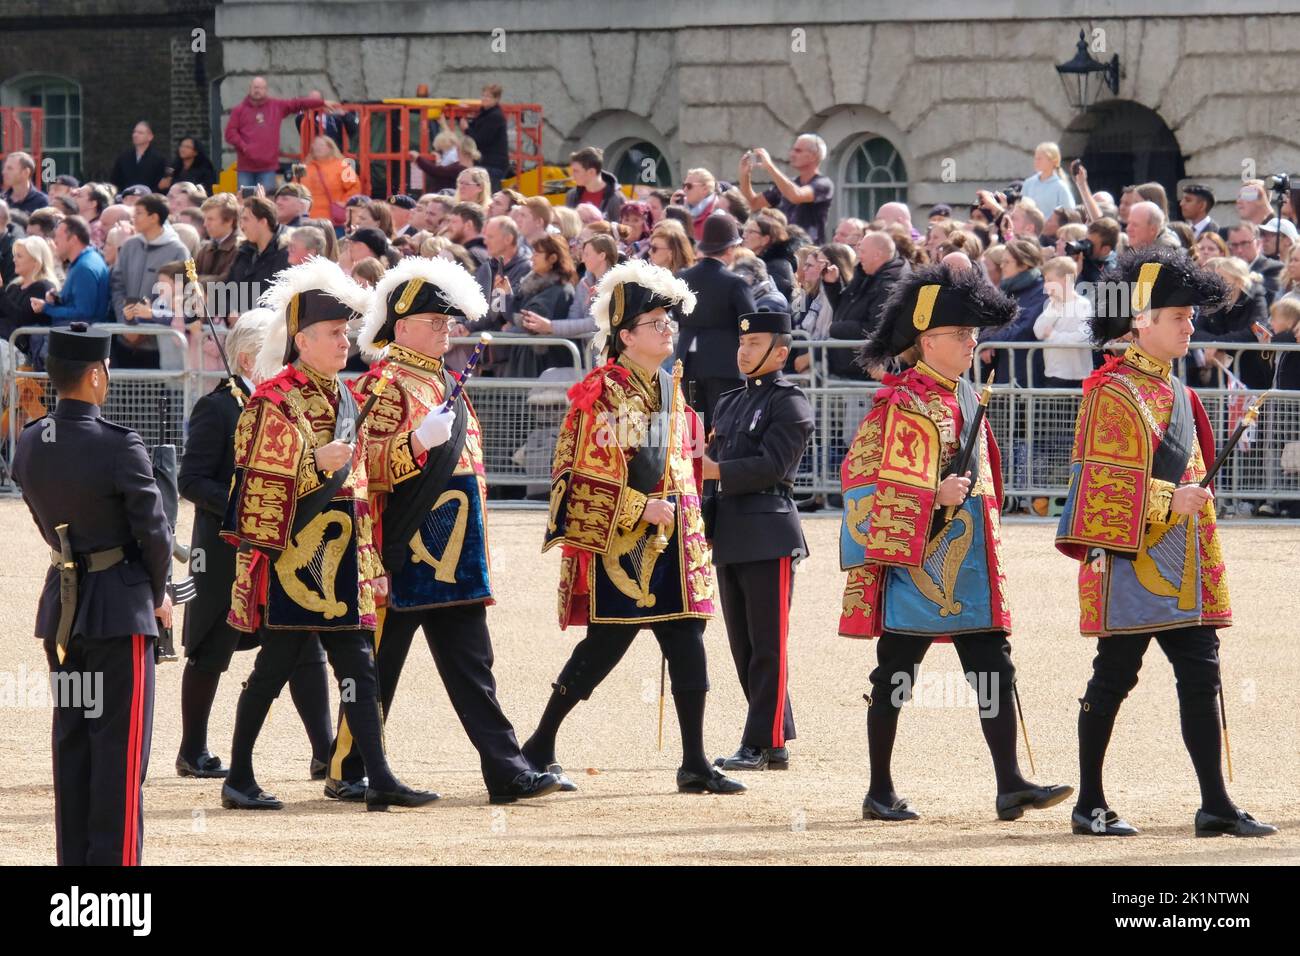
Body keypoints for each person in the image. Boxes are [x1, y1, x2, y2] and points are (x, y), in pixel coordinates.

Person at [321, 257, 564, 804]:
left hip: (456, 555)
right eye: (435, 322)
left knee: (474, 668)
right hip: (403, 549)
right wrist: (416, 443)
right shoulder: (386, 384)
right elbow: (361, 465)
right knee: (378, 667)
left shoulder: (443, 380)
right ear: (401, 326)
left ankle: (506, 771)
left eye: (448, 322)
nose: (446, 329)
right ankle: (346, 766)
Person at [1056, 245, 1276, 838]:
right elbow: (1095, 486)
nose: (1190, 325)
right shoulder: (1112, 389)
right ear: (1140, 321)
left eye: (1190, 316)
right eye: (1177, 316)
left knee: (1202, 674)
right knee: (1114, 676)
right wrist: (1165, 499)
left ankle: (1215, 805)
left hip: (1186, 560)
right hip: (1131, 562)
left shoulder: (1174, 389)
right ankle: (1091, 803)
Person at [839, 263, 1072, 823]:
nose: (972, 343)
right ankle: (879, 788)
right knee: (895, 673)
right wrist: (929, 494)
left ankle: (1010, 783)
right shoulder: (900, 403)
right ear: (927, 341)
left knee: (994, 669)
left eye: (974, 334)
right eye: (961, 334)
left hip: (971, 566)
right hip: (916, 564)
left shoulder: (965, 396)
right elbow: (861, 483)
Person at [218, 257, 439, 812]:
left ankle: (378, 775)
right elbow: (258, 488)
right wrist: (315, 462)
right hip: (299, 557)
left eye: (346, 333)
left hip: (346, 561)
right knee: (273, 668)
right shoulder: (272, 399)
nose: (346, 343)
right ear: (303, 340)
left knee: (360, 667)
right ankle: (238, 774)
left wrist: (416, 446)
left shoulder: (345, 396)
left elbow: (368, 482)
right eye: (335, 334)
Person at [528, 259, 745, 796]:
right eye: (656, 323)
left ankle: (694, 759)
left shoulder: (670, 388)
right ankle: (539, 743)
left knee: (687, 637)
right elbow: (576, 471)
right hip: (622, 543)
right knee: (605, 645)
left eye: (670, 322)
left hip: (675, 540)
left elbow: (681, 467)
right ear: (625, 336)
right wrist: (633, 506)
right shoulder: (603, 392)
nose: (668, 330)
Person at [12, 323, 173, 864]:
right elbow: (153, 533)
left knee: (74, 748)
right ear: (97, 374)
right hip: (120, 609)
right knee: (121, 759)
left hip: (63, 608)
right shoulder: (118, 444)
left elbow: (44, 522)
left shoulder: (31, 441)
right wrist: (160, 593)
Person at [175, 310, 333, 780]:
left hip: (282, 546)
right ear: (247, 359)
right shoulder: (219, 407)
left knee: (303, 644)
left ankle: (324, 750)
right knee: (212, 648)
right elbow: (192, 480)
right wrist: (249, 501)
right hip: (226, 550)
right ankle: (193, 749)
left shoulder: (289, 405)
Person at [702, 311, 814, 771]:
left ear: (780, 353)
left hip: (768, 530)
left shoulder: (791, 402)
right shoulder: (729, 401)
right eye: (742, 344)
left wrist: (716, 471)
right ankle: (774, 739)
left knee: (769, 644)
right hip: (729, 529)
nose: (743, 351)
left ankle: (757, 742)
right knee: (743, 645)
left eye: (755, 345)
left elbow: (774, 466)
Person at [676, 214, 755, 431]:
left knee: (695, 429)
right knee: (725, 429)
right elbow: (750, 324)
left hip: (688, 360)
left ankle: (695, 467)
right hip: (725, 363)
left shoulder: (682, 278)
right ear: (729, 250)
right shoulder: (735, 284)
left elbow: (675, 315)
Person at [226, 77, 334, 191]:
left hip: (267, 167)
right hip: (245, 168)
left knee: (266, 203)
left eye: (261, 88)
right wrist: (243, 146)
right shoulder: (239, 110)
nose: (257, 90)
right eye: (255, 87)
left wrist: (322, 102)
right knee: (245, 202)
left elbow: (297, 103)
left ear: (266, 90)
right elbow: (230, 133)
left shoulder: (276, 106)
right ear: (250, 89)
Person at [738, 135, 834, 243]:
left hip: (808, 249)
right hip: (784, 247)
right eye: (792, 150)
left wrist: (770, 167)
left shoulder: (823, 184)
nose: (791, 154)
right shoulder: (788, 184)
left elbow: (796, 196)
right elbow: (753, 203)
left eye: (798, 151)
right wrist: (744, 174)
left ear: (813, 156)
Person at [0, 236, 58, 366]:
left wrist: (0, 292)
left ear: (36, 261)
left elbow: (22, 319)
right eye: (14, 256)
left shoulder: (43, 287)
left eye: (19, 256)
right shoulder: (14, 287)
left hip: (23, 355)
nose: (14, 260)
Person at [303, 135, 361, 231]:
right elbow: (296, 188)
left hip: (332, 222)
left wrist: (344, 202)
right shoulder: (306, 166)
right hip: (308, 220)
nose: (317, 147)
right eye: (315, 145)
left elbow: (355, 187)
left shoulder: (342, 165)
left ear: (330, 148)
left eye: (321, 145)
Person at [461, 84, 510, 190]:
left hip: (493, 164)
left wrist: (466, 129)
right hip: (487, 163)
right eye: (483, 95)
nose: (484, 99)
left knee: (487, 193)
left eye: (488, 96)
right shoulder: (484, 113)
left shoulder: (495, 116)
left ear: (496, 99)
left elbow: (481, 139)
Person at [564, 147, 625, 221]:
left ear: (591, 172)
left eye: (576, 171)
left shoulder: (616, 198)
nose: (572, 175)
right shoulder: (572, 196)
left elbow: (622, 230)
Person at [109, 122, 168, 193]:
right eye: (134, 132)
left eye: (140, 133)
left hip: (149, 199)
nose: (135, 135)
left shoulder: (159, 159)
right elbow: (115, 181)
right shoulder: (123, 157)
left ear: (150, 137)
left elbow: (161, 185)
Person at [1019, 142, 1076, 214]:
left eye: (1040, 158)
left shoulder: (1060, 187)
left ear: (1053, 161)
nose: (1036, 161)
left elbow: (1070, 213)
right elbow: (1021, 209)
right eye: (1035, 158)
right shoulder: (1029, 183)